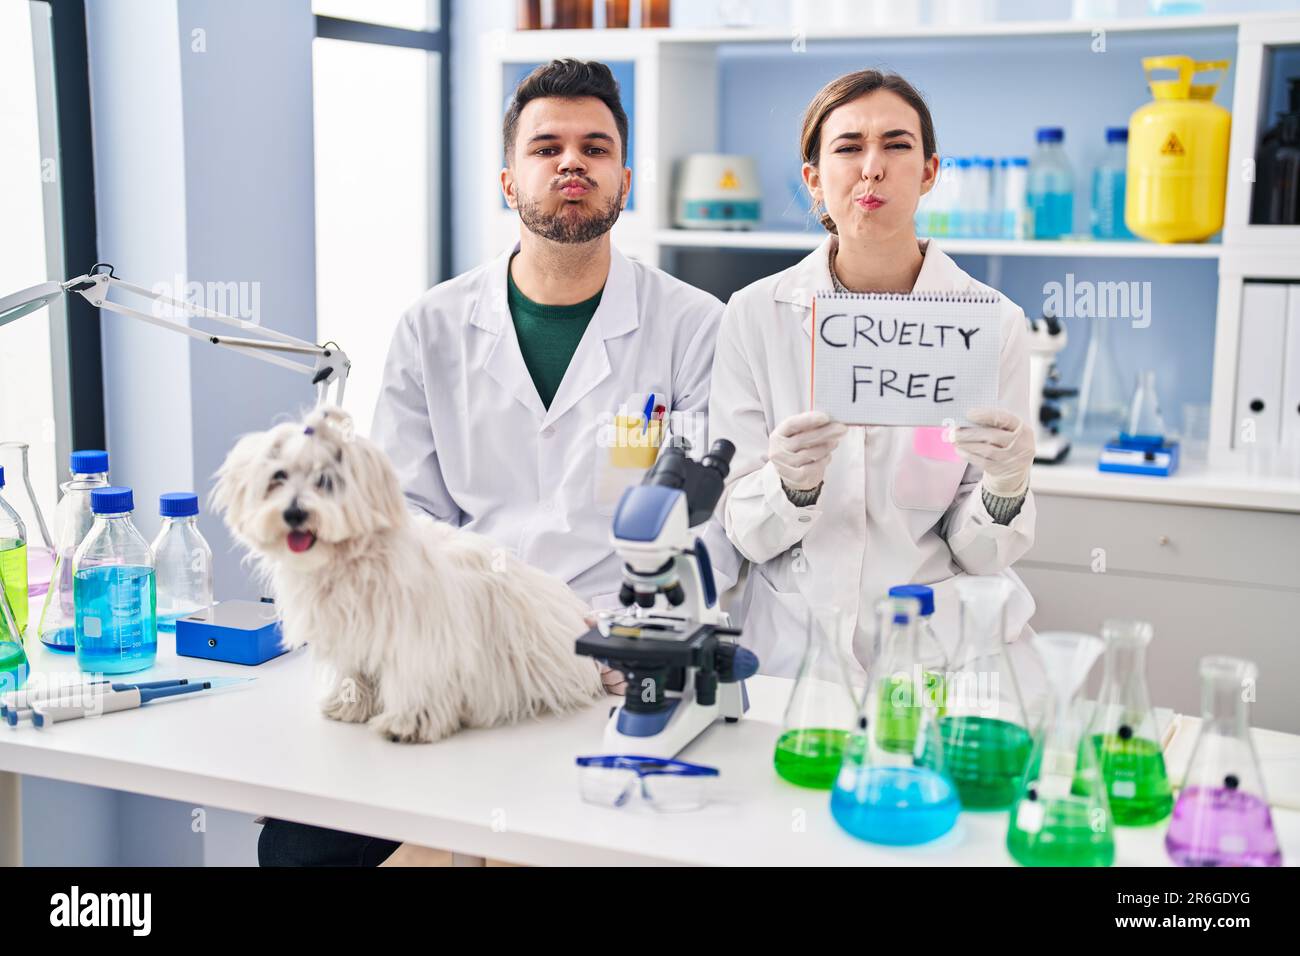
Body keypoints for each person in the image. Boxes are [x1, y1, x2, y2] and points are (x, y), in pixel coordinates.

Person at [259, 58, 736, 866]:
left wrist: (637, 635)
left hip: (620, 658)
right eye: (546, 146)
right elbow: (405, 519)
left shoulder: (696, 325)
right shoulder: (431, 326)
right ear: (509, 180)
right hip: (461, 643)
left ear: (628, 178)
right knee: (299, 849)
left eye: (595, 146)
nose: (571, 163)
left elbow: (711, 522)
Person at [708, 69, 1037, 679]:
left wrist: (1006, 485)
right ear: (813, 179)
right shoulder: (755, 315)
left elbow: (981, 553)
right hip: (794, 653)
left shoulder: (992, 324)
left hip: (943, 654)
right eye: (849, 147)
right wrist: (791, 485)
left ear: (930, 172)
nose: (872, 167)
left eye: (896, 144)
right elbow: (745, 533)